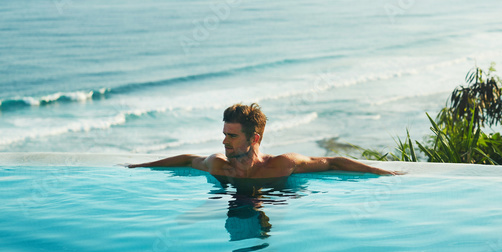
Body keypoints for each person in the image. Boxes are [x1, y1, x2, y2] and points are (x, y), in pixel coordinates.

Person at [127, 103, 401, 178]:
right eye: (224, 134)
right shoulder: (219, 165)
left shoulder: (280, 165)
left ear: (254, 138)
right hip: (230, 198)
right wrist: (142, 165)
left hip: (272, 197)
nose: (224, 142)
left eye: (232, 136)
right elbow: (188, 159)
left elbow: (332, 162)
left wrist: (382, 172)